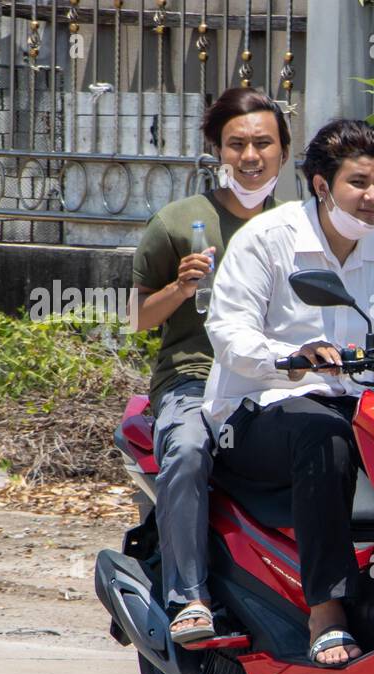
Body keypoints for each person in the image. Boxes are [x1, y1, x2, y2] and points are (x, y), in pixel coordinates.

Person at [203, 118, 374, 667]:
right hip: (255, 412)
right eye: (359, 183)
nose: (373, 197)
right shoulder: (267, 240)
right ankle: (326, 612)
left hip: (357, 411)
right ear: (322, 186)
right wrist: (290, 361)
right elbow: (228, 332)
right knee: (324, 433)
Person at [131, 88, 291, 643]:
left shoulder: (301, 228)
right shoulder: (178, 223)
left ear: (284, 153)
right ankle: (189, 599)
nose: (251, 157)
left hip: (277, 377)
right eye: (237, 144)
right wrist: (180, 286)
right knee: (191, 449)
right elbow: (140, 319)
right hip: (194, 376)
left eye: (263, 144)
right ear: (217, 152)